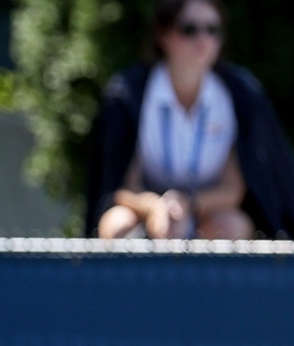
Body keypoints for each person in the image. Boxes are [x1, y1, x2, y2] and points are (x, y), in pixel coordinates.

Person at [87, 0, 294, 240]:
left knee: (233, 225)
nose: (203, 39)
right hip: (144, 211)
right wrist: (155, 208)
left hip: (205, 211)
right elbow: (121, 185)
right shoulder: (130, 94)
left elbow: (233, 188)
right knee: (116, 223)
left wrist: (189, 204)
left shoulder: (238, 95)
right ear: (163, 34)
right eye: (189, 29)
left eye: (213, 30)